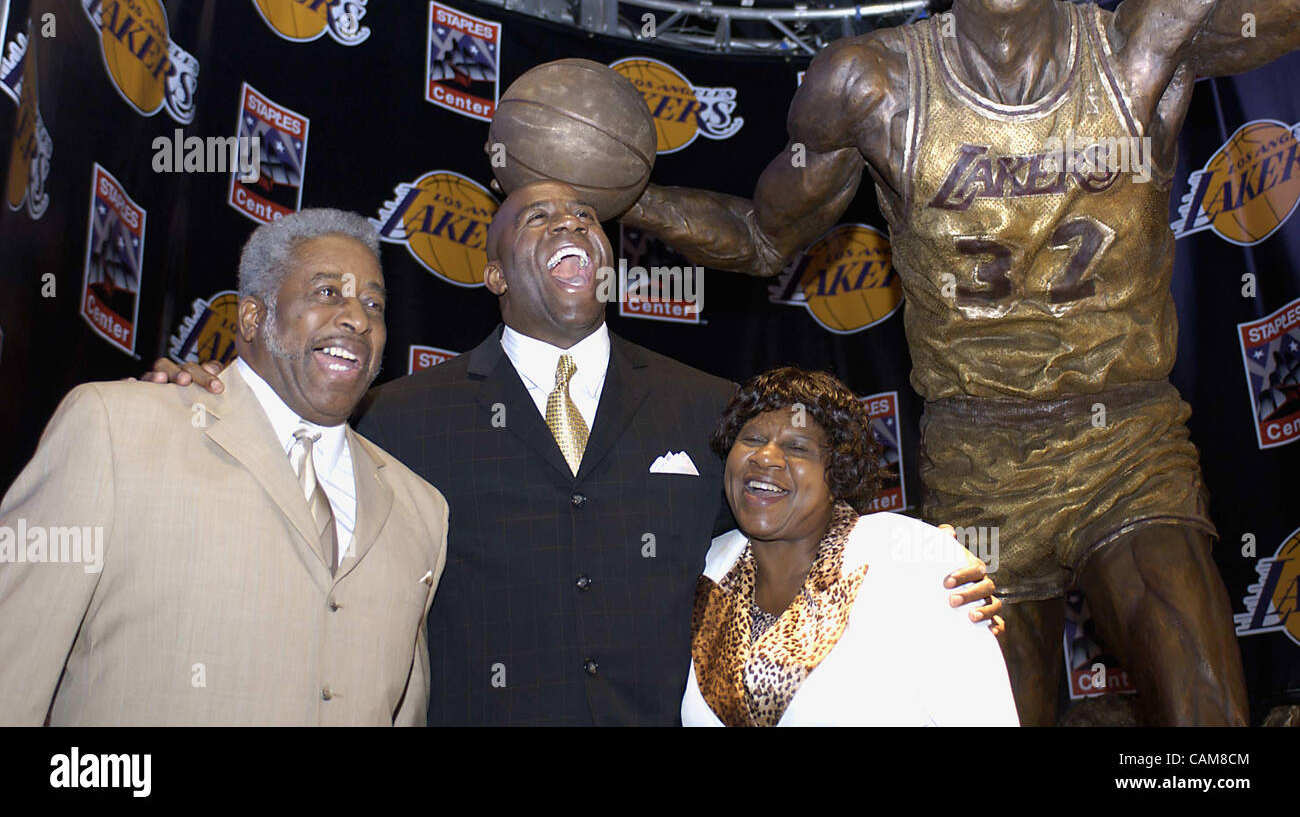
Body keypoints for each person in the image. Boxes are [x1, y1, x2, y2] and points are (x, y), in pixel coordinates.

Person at [622, 0, 1300, 725]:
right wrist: (631, 197)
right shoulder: (872, 88)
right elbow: (761, 237)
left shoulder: (1142, 44)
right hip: (977, 463)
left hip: (1126, 436)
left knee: (1203, 708)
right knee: (995, 715)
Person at [155, 182, 1002, 725]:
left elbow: (785, 530)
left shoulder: (706, 405)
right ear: (492, 273)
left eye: (584, 217)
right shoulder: (397, 418)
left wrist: (914, 573)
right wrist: (216, 391)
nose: (569, 224)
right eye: (538, 217)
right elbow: (293, 490)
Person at [0, 209, 448, 725]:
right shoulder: (117, 428)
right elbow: (14, 668)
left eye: (374, 304)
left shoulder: (421, 511)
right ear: (254, 318)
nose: (357, 319)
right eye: (328, 293)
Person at [684, 367, 1019, 726]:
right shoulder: (697, 570)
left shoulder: (911, 561)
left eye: (797, 447)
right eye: (751, 439)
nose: (765, 457)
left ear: (839, 472)